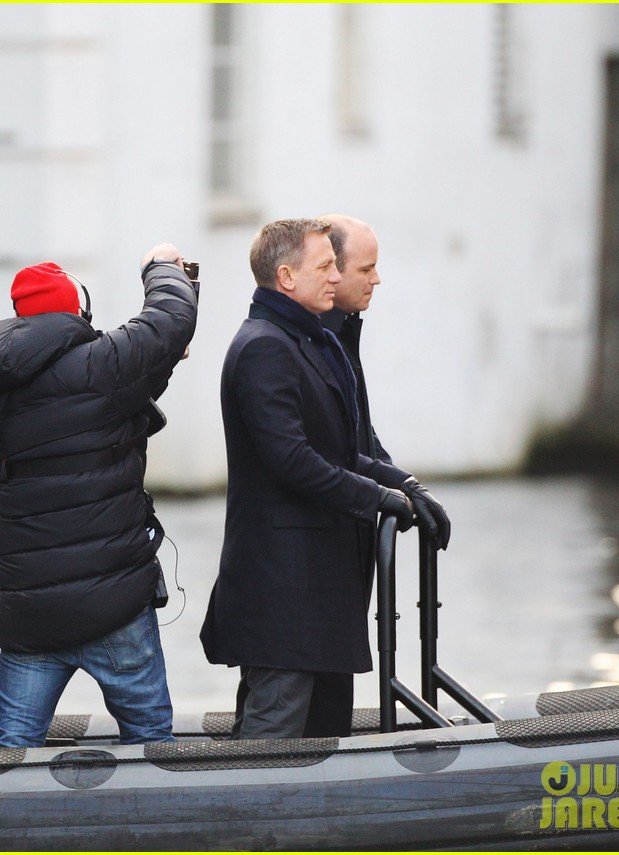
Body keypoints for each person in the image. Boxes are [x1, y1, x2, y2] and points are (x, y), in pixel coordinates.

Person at [200, 218, 421, 740]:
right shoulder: (264, 346)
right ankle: (249, 825)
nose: (335, 276)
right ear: (286, 278)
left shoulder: (309, 341)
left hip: (318, 599)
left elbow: (345, 450)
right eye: (324, 267)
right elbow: (292, 461)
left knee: (325, 739)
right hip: (284, 600)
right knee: (271, 743)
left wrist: (406, 487)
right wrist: (380, 499)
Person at [0, 245, 198, 748]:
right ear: (77, 310)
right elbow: (172, 316)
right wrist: (160, 266)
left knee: (10, 753)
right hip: (113, 604)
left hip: (30, 612)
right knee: (152, 746)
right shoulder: (103, 367)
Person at [319, 213, 451, 600]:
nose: (376, 279)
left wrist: (404, 483)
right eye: (367, 268)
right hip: (322, 570)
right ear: (334, 272)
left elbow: (360, 437)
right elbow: (334, 452)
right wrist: (394, 490)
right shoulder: (320, 340)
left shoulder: (340, 332)